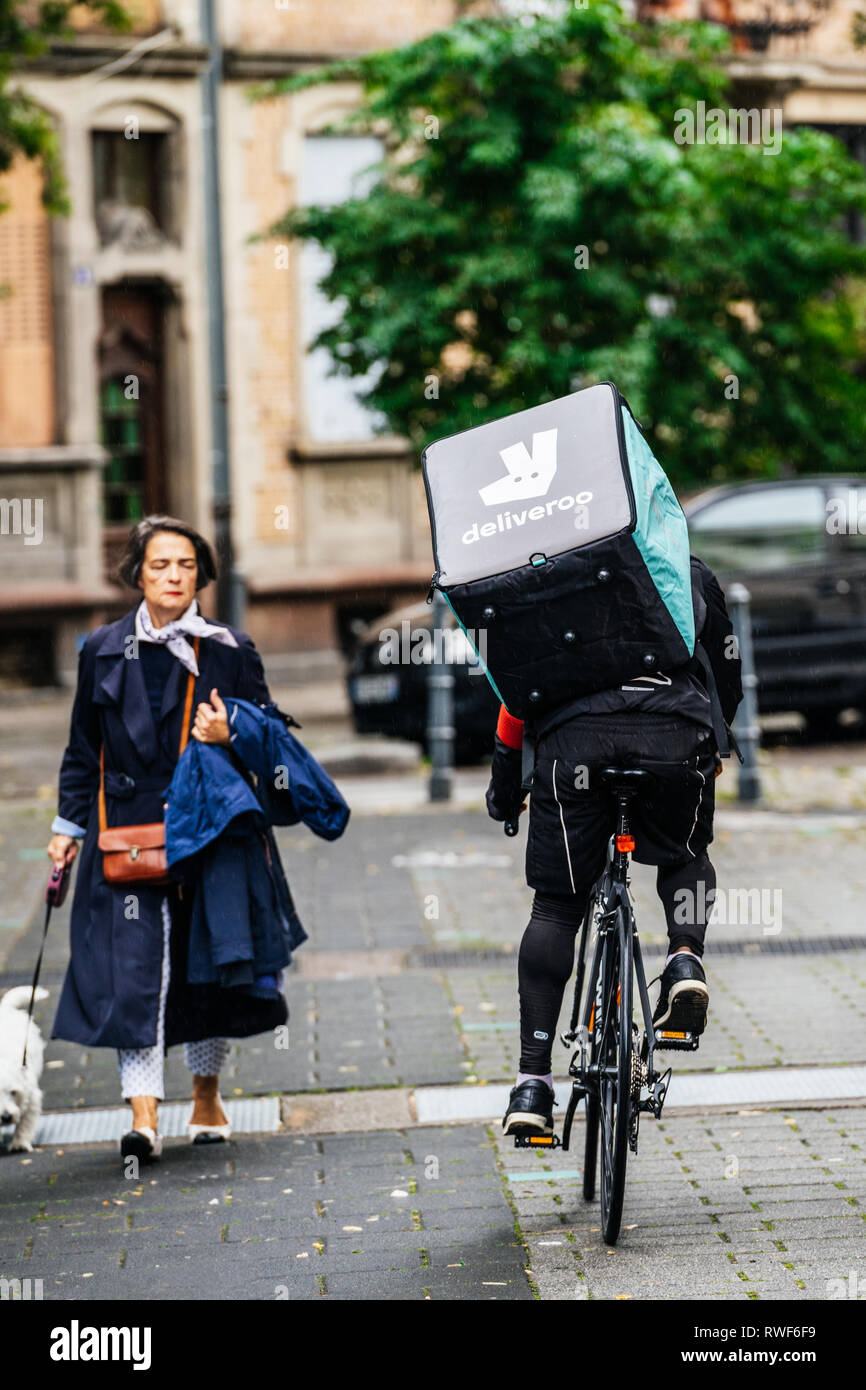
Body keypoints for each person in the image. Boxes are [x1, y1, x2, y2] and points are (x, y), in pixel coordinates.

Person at [45, 516, 303, 1164]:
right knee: (133, 973)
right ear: (138, 573)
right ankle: (143, 1115)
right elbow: (83, 750)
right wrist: (67, 828)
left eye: (186, 566)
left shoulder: (230, 648)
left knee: (206, 968)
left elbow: (272, 736)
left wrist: (232, 734)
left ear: (201, 575)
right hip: (125, 838)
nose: (173, 577)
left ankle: (207, 1094)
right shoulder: (101, 649)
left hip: (209, 834)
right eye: (160, 565)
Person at [486, 555, 743, 1137]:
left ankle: (532, 1083)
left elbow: (515, 693)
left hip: (573, 748)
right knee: (684, 855)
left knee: (556, 906)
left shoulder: (545, 570)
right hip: (675, 737)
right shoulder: (683, 566)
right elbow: (725, 662)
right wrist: (715, 739)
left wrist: (506, 789)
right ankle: (684, 959)